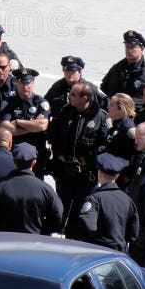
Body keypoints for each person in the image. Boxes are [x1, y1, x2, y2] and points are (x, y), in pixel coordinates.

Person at [49, 81, 109, 231]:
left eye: (74, 94)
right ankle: (57, 230)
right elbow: (53, 135)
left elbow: (105, 145)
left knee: (81, 208)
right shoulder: (66, 111)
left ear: (85, 98)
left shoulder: (100, 117)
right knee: (61, 204)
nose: (69, 96)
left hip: (86, 173)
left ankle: (75, 234)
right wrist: (58, 154)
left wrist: (87, 159)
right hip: (65, 169)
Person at [0, 143, 64, 235]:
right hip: (35, 243)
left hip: (4, 242)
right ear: (34, 162)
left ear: (13, 161)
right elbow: (58, 217)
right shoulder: (46, 190)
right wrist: (43, 231)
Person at [76, 153, 139, 252]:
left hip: (98, 252)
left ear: (99, 173)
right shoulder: (128, 200)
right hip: (119, 253)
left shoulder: (94, 199)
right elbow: (133, 234)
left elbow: (88, 227)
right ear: (117, 176)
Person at [0, 68, 51, 179]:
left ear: (33, 83)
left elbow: (42, 125)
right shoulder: (8, 102)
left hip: (36, 156)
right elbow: (5, 128)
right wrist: (32, 126)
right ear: (16, 83)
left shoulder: (41, 102)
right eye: (22, 83)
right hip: (14, 155)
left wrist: (19, 122)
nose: (25, 86)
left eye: (28, 83)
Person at [100, 30, 145, 110]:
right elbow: (104, 89)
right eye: (127, 47)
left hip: (137, 115)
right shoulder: (117, 68)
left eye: (132, 47)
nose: (129, 50)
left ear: (142, 48)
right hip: (115, 113)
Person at [45, 55, 108, 120]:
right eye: (66, 70)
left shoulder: (89, 89)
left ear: (79, 72)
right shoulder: (57, 87)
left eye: (72, 71)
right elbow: (46, 104)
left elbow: (107, 106)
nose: (69, 73)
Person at [105, 93, 136, 162]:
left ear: (121, 108)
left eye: (111, 105)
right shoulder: (116, 125)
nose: (108, 107)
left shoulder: (128, 128)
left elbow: (133, 155)